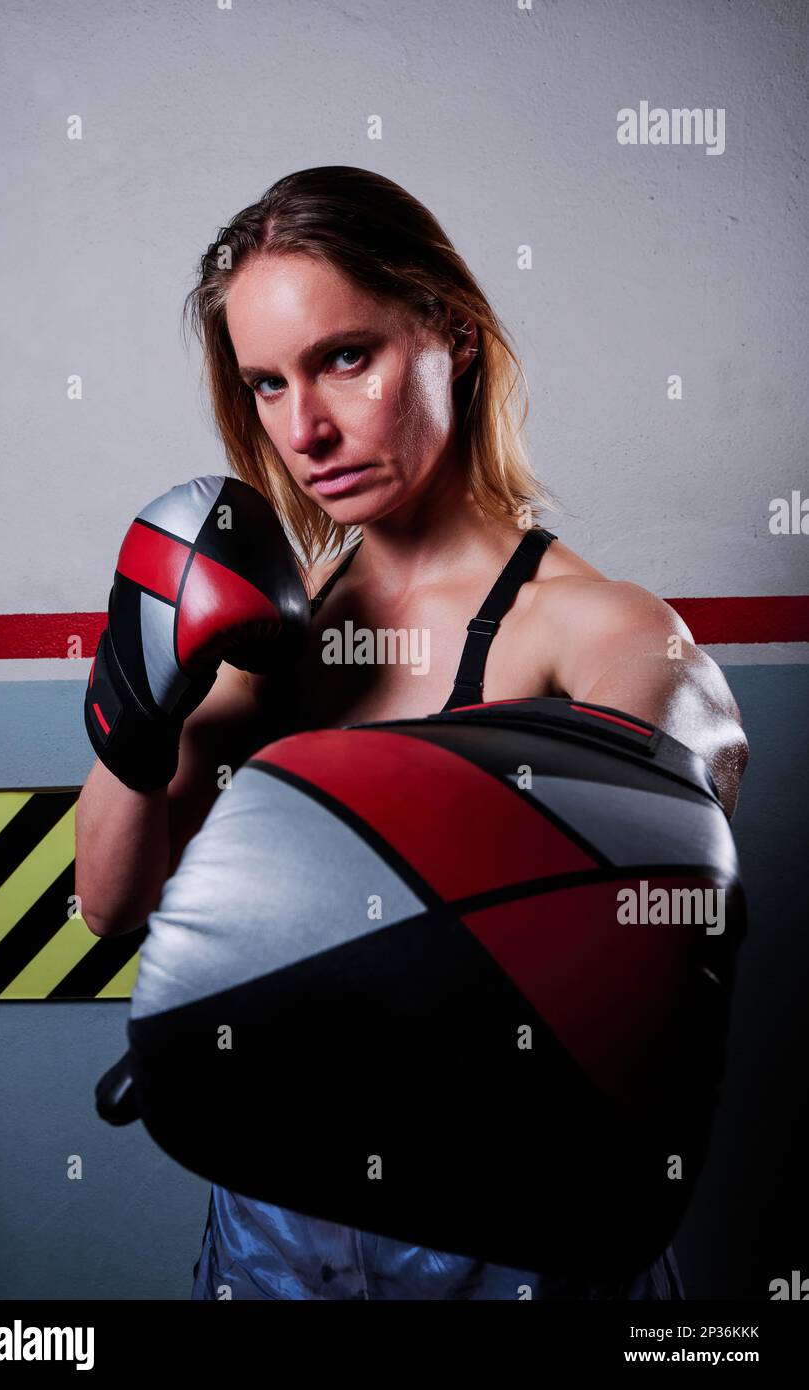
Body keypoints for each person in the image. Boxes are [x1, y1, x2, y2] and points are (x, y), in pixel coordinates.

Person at [76, 166, 749, 1300]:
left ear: (451, 332)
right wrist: (138, 704)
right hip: (276, 1223)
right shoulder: (261, 635)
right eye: (265, 385)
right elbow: (107, 901)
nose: (307, 427)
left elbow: (666, 891)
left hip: (505, 1227)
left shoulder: (594, 630)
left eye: (345, 357)